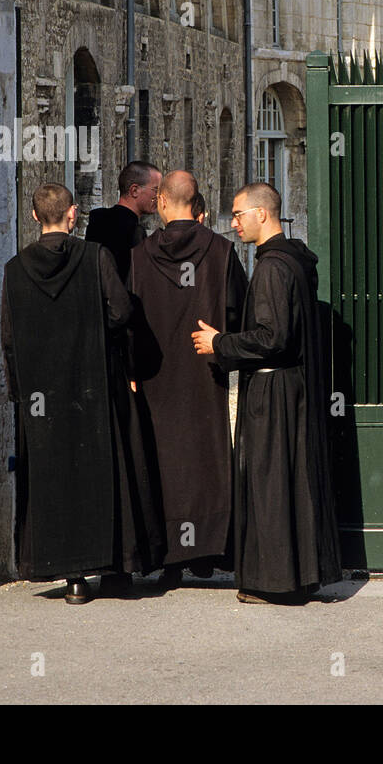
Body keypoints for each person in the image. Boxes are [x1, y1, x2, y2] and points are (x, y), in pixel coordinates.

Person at [1, 183, 166, 603]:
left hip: (44, 393)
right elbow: (121, 310)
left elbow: (9, 339)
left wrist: (20, 393)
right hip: (96, 381)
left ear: (35, 217)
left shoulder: (15, 269)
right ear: (72, 215)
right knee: (106, 471)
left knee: (55, 478)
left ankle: (71, 575)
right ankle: (115, 567)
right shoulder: (95, 257)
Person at [191, 182, 342, 603]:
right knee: (286, 481)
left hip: (274, 390)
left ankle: (276, 583)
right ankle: (291, 577)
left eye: (239, 214)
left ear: (263, 213)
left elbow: (273, 337)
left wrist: (220, 344)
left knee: (270, 483)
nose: (234, 222)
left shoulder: (273, 267)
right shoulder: (288, 260)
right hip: (288, 387)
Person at [129, 171, 247, 589]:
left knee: (162, 458)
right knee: (205, 457)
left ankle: (169, 554)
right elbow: (238, 313)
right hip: (204, 370)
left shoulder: (140, 257)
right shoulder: (222, 252)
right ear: (196, 202)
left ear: (161, 202)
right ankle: (207, 550)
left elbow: (128, 320)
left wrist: (132, 369)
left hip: (156, 376)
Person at [86, 160, 162, 280]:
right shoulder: (134, 232)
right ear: (134, 190)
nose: (159, 197)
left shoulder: (97, 221)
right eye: (156, 190)